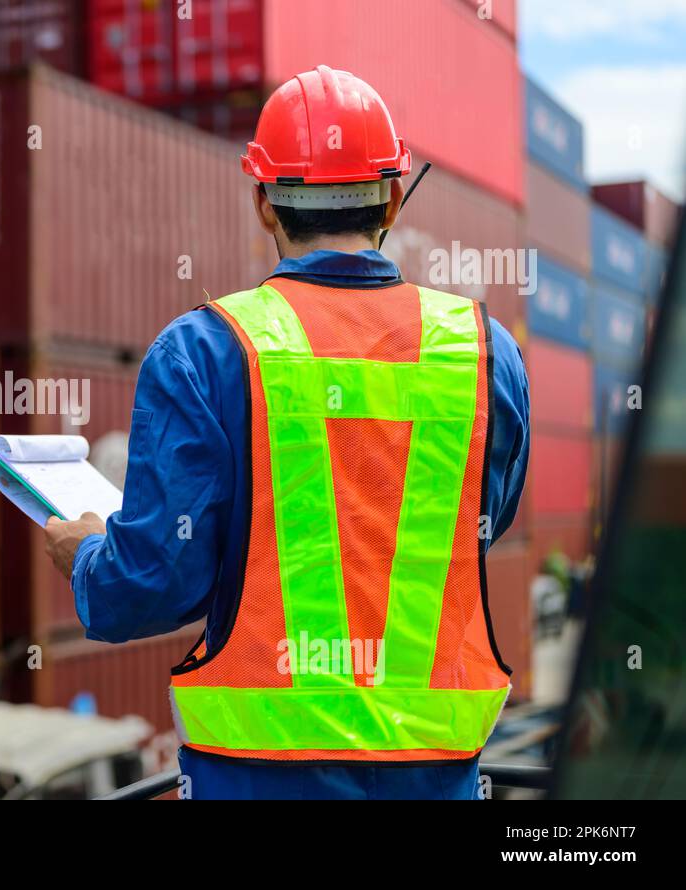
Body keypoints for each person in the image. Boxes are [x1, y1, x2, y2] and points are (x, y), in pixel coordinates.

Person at [43, 65, 530, 800]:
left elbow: (147, 587)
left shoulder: (204, 350)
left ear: (264, 203)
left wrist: (85, 556)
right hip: (438, 783)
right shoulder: (484, 354)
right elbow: (474, 534)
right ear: (394, 197)